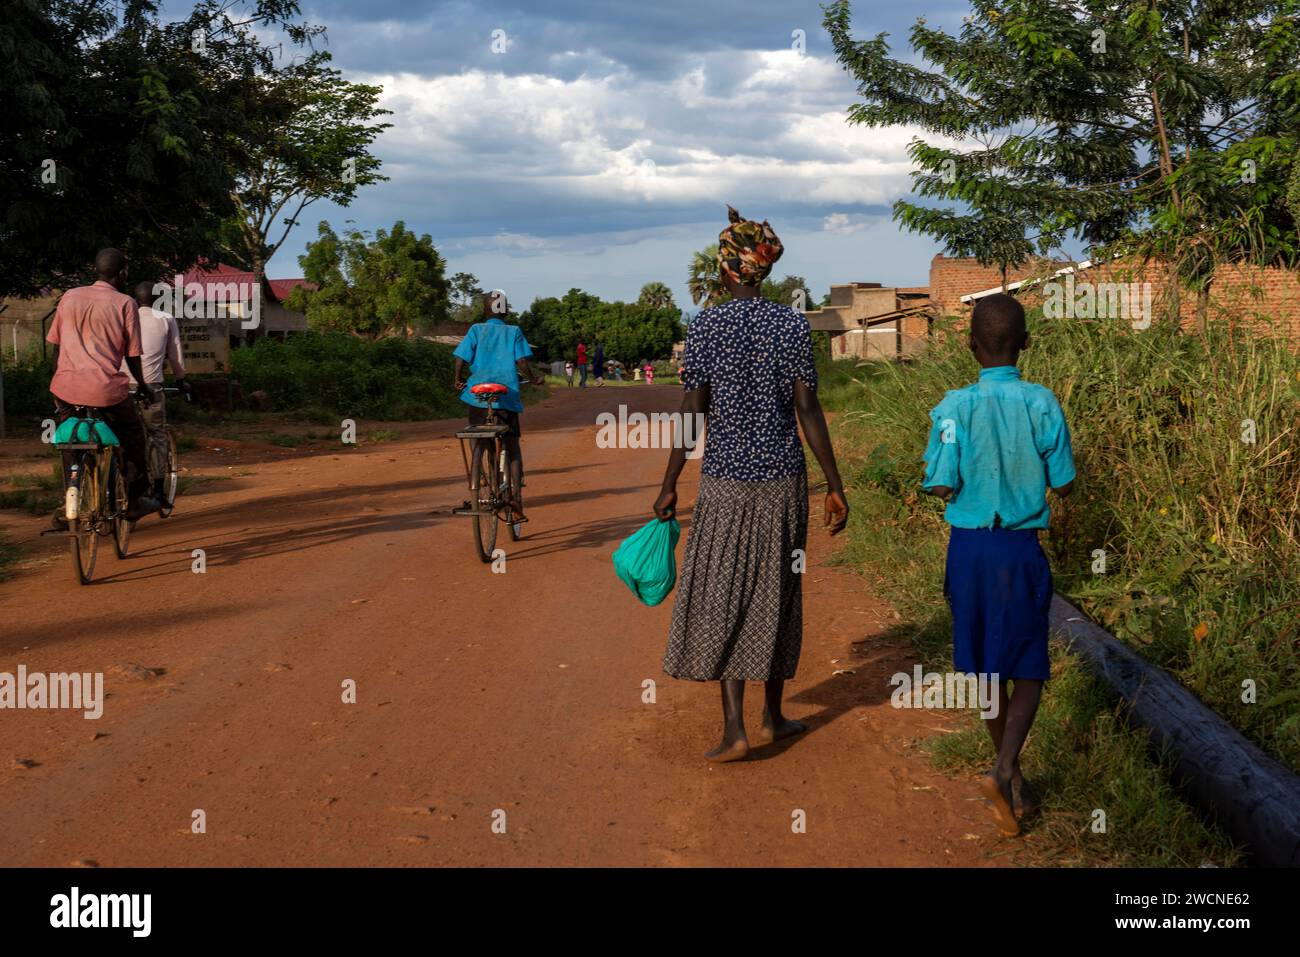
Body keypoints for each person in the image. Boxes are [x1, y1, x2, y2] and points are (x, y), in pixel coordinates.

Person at [655, 206, 848, 763]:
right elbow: (807, 410)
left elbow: (692, 411)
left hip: (724, 484)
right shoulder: (791, 325)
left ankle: (736, 727)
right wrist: (834, 484)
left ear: (727, 269)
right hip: (784, 482)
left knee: (722, 595)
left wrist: (670, 482)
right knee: (777, 592)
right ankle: (774, 715)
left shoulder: (705, 326)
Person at [921, 292, 1076, 837]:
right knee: (1028, 665)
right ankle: (1007, 769)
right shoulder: (1042, 403)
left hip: (968, 551)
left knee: (989, 666)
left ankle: (1008, 778)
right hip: (1019, 548)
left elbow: (940, 481)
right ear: (1026, 344)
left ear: (970, 347)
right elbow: (1063, 479)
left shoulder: (953, 408)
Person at [47, 249, 158, 525]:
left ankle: (71, 497)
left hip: (66, 387)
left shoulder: (69, 296)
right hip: (105, 390)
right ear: (122, 273)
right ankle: (133, 501)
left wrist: (59, 382)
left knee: (71, 438)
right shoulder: (125, 303)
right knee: (132, 435)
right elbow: (132, 355)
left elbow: (56, 348)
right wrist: (143, 385)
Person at [452, 292, 543, 521]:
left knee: (479, 434)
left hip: (477, 395)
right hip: (505, 397)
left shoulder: (476, 330)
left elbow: (460, 358)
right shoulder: (513, 332)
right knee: (511, 445)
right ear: (505, 311)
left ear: (485, 311)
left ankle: (481, 472)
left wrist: (457, 378)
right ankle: (513, 496)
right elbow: (521, 362)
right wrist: (532, 378)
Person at [124, 281, 192, 501]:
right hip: (151, 387)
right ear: (157, 299)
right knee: (157, 435)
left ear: (135, 298)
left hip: (121, 388)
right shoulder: (165, 319)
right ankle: (160, 490)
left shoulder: (124, 318)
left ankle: (120, 482)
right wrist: (182, 381)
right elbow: (175, 356)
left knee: (123, 435)